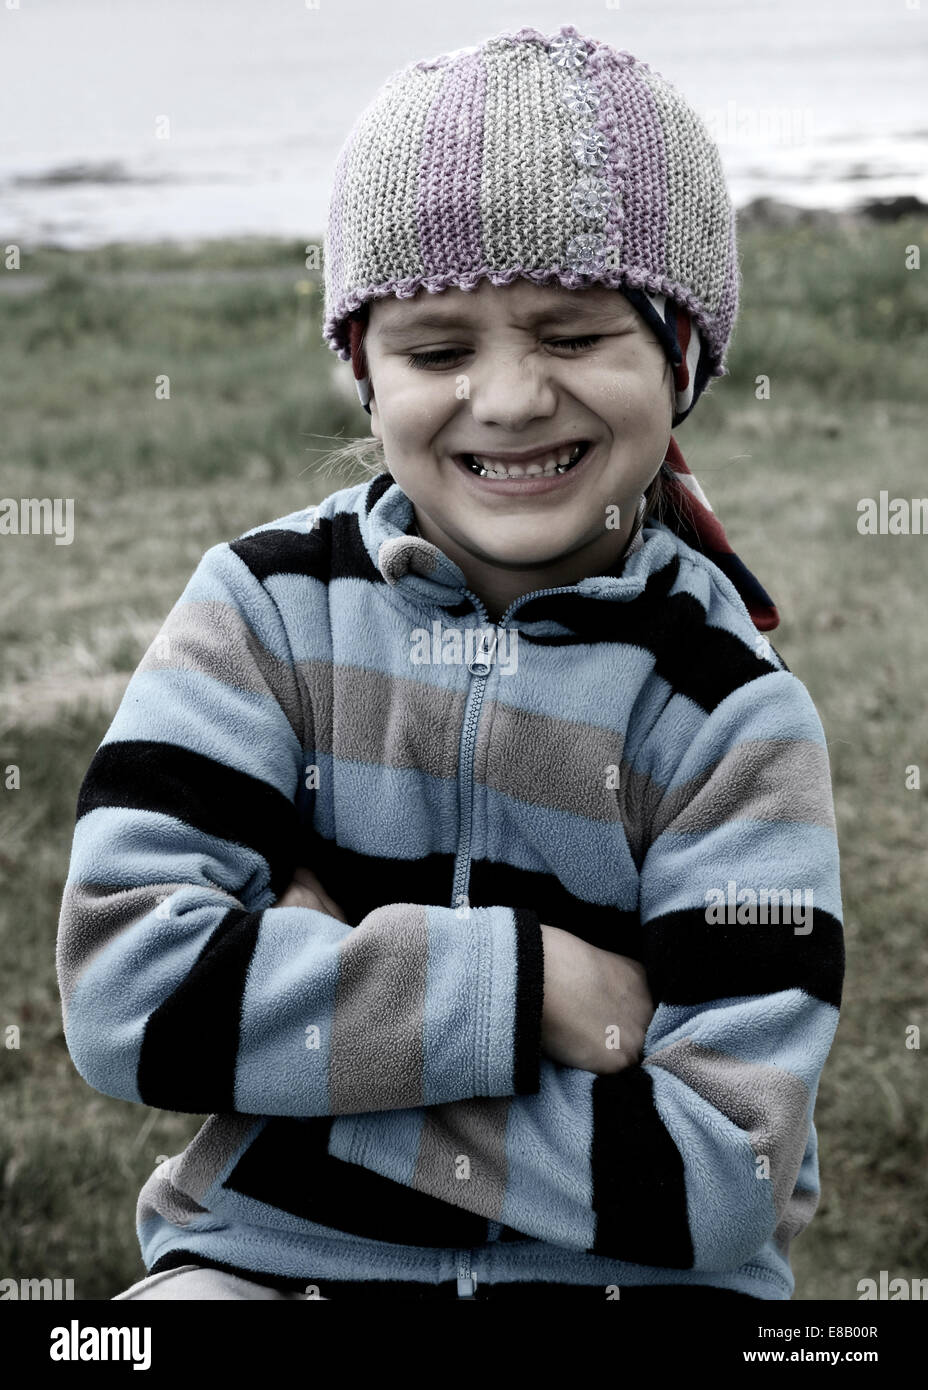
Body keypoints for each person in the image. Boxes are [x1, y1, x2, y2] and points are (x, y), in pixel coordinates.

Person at [57, 23, 843, 1301]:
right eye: (434, 350)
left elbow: (715, 1182)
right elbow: (126, 998)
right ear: (362, 371)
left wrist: (308, 1037)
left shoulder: (729, 712)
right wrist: (527, 988)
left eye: (574, 332)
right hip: (264, 1269)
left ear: (683, 355)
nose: (511, 395)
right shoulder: (262, 611)